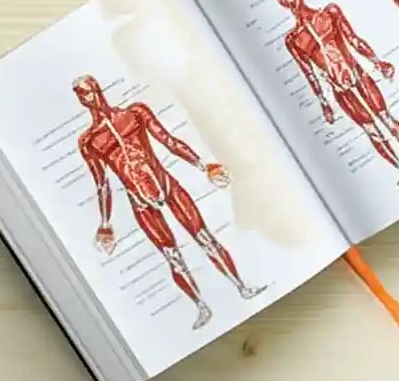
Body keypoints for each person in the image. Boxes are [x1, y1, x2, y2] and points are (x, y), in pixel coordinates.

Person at [73, 75, 264, 330]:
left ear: (100, 89)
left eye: (93, 90)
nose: (92, 97)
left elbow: (169, 142)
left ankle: (242, 288)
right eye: (84, 94)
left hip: (166, 184)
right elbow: (102, 183)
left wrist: (204, 166)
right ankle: (201, 307)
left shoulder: (135, 112)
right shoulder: (89, 141)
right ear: (80, 100)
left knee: (205, 238)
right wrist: (105, 222)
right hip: (139, 200)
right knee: (172, 256)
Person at [274, 0, 399, 185]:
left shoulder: (329, 13)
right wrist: (324, 102)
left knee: (386, 118)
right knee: (371, 129)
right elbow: (308, 72)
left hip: (358, 75)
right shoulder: (293, 39)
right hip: (340, 89)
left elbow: (353, 40)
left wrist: (377, 62)